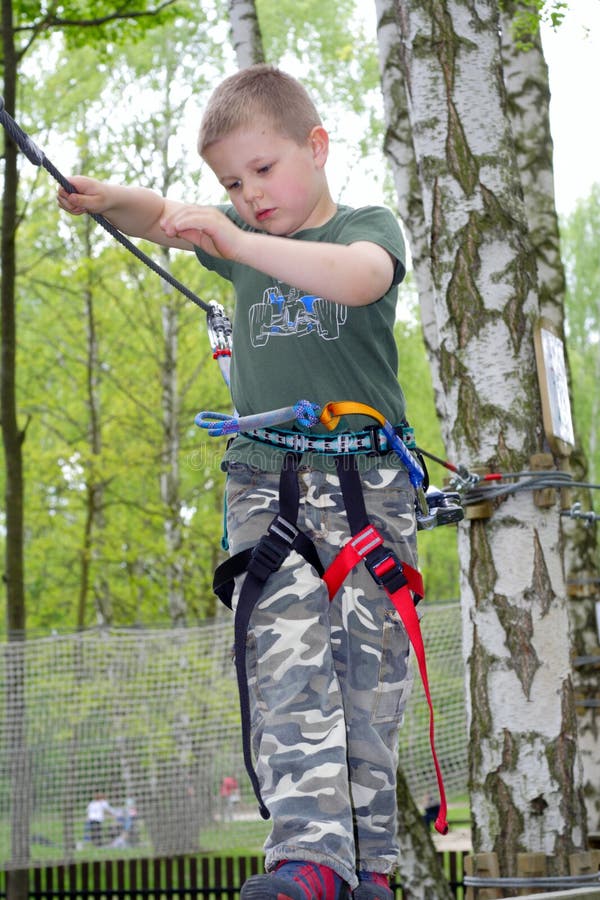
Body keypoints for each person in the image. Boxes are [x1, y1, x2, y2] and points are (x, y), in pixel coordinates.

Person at [58, 64, 424, 900]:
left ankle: (369, 869)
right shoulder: (237, 240)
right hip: (271, 485)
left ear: (317, 147)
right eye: (231, 183)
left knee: (365, 683)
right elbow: (161, 218)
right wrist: (104, 195)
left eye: (264, 170)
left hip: (367, 490)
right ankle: (310, 860)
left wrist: (239, 244)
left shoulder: (361, 228)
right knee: (287, 663)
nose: (249, 194)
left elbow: (363, 279)